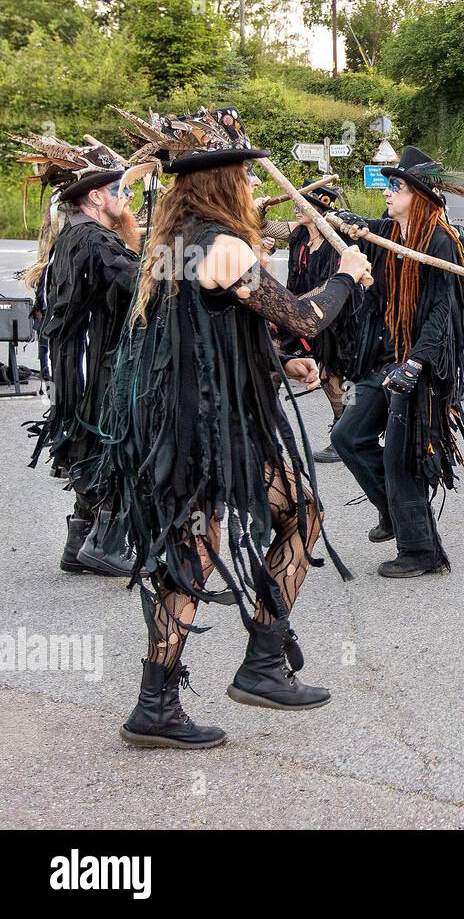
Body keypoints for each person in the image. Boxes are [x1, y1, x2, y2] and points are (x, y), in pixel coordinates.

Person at [100, 106, 370, 748]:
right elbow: (303, 314)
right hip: (215, 432)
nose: (251, 186)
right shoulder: (223, 245)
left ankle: (216, 680)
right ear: (224, 182)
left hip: (182, 423)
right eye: (244, 177)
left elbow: (208, 336)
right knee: (287, 519)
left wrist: (277, 364)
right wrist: (346, 278)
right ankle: (233, 675)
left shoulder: (169, 244)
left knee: (205, 546)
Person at [329, 146, 464, 577]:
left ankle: (422, 551)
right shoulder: (393, 233)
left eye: (396, 187)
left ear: (420, 195)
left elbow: (442, 314)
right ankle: (393, 511)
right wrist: (356, 226)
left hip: (421, 367)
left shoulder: (440, 242)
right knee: (348, 437)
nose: (388, 194)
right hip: (384, 359)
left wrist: (416, 364)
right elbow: (372, 233)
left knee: (402, 456)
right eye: (389, 186)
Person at [14, 132, 146, 576]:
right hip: (98, 366)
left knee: (92, 442)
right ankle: (106, 543)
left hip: (80, 367)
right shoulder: (94, 240)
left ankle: (78, 542)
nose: (126, 197)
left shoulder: (74, 236)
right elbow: (144, 285)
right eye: (120, 190)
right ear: (95, 196)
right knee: (120, 444)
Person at [259, 181, 360, 461]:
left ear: (319, 206)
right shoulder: (298, 232)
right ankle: (264, 429)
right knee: (277, 363)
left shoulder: (337, 238)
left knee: (330, 374)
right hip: (297, 313)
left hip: (330, 314)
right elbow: (264, 226)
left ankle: (345, 434)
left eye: (301, 201)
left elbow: (335, 282)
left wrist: (296, 304)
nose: (295, 205)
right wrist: (262, 209)